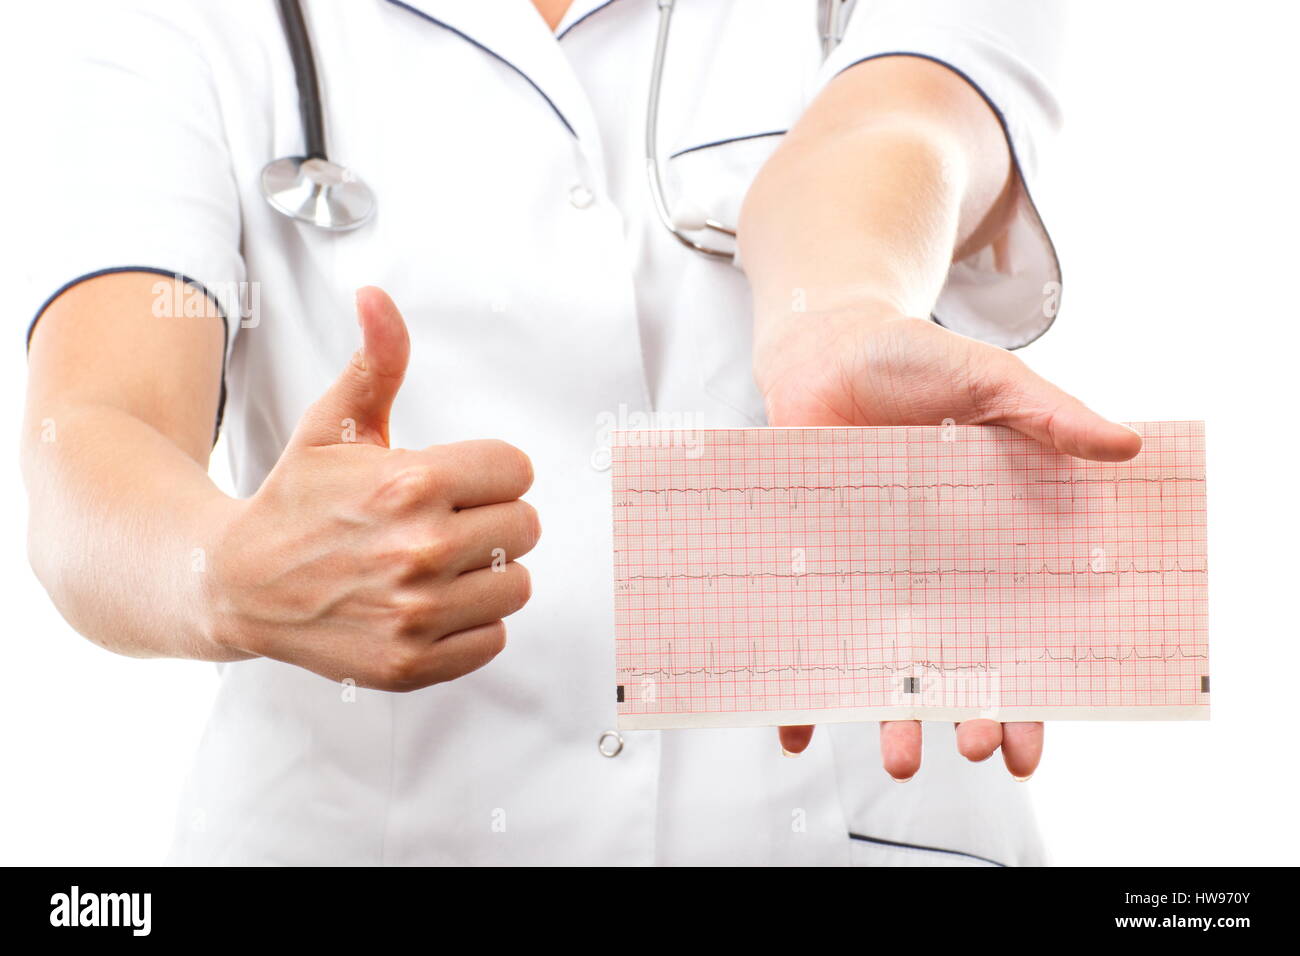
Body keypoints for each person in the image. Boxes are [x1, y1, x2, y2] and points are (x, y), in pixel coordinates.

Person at [20, 0, 1139, 865]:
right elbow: (94, 433)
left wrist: (836, 316)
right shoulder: (177, 20)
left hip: (836, 815)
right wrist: (228, 573)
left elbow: (897, 123)